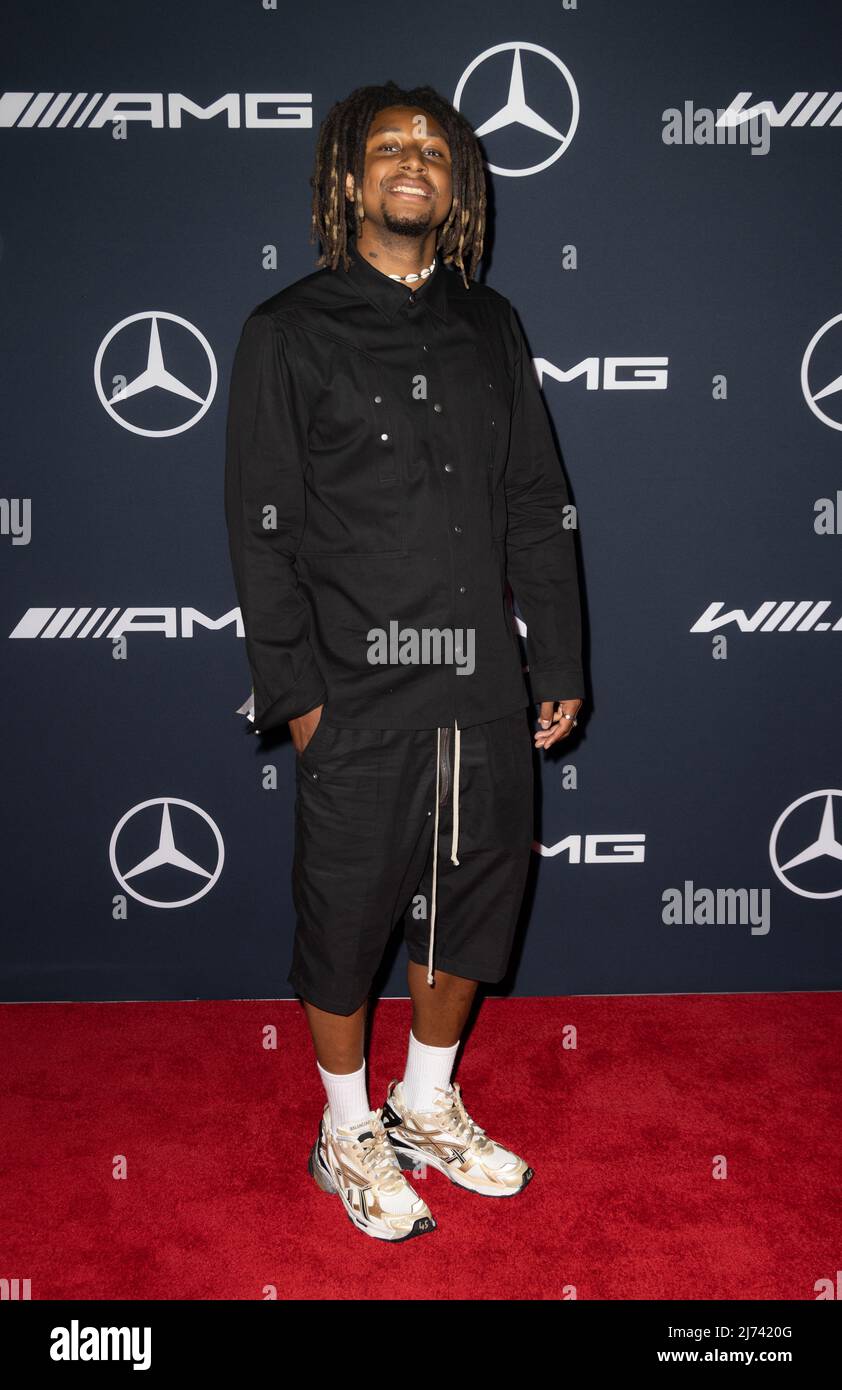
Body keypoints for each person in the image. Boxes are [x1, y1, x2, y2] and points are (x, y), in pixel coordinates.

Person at [224, 80, 585, 1242]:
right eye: (388, 146)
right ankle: (343, 1127)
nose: (413, 161)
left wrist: (559, 658)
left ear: (459, 182)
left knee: (472, 908)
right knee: (346, 918)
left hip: (483, 681)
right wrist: (300, 705)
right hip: (355, 690)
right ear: (348, 177)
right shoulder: (287, 330)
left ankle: (425, 1102)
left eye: (435, 147)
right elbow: (260, 529)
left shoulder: (493, 324)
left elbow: (536, 500)